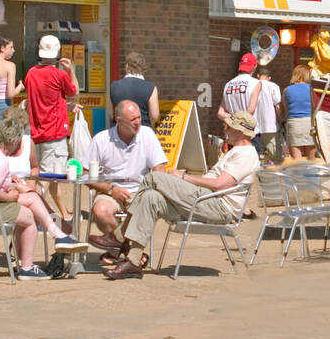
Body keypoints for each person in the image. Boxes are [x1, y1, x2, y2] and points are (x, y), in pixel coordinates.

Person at [104, 110, 260, 279]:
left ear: (239, 130)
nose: (224, 130)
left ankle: (119, 236)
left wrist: (184, 177)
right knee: (151, 198)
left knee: (154, 177)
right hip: (206, 200)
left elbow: (220, 184)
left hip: (218, 206)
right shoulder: (236, 151)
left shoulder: (246, 154)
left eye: (227, 127)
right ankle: (133, 261)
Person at [0, 109, 86, 281]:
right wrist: (10, 197)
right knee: (27, 216)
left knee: (32, 197)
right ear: (14, 141)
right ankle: (27, 266)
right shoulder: (0, 159)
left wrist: (14, 187)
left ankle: (58, 236)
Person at [83, 99, 168, 266]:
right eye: (132, 119)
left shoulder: (147, 135)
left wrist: (152, 191)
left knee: (145, 207)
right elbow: (87, 176)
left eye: (139, 118)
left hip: (140, 191)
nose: (138, 122)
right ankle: (130, 252)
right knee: (100, 211)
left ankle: (117, 248)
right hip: (110, 190)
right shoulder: (101, 140)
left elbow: (159, 168)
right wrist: (110, 189)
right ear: (119, 120)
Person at [24, 35, 78, 221]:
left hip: (36, 133)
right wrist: (71, 70)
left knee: (47, 178)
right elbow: (74, 92)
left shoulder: (30, 73)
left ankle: (64, 214)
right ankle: (31, 215)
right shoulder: (59, 74)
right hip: (54, 134)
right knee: (46, 180)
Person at [218, 52, 260, 151]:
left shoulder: (228, 84)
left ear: (240, 65)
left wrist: (233, 120)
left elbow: (220, 113)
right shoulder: (256, 83)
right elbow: (251, 110)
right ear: (254, 66)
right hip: (249, 133)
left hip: (232, 134)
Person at [108, 51, 159, 129]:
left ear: (127, 66)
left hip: (119, 131)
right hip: (142, 130)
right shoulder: (151, 87)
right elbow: (154, 116)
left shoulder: (114, 86)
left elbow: (111, 114)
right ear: (143, 68)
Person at [283, 65, 317, 160]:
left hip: (294, 123)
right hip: (309, 123)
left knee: (296, 159)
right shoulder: (312, 89)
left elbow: (286, 108)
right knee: (311, 158)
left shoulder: (287, 90)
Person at [253, 63, 282, 162]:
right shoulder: (274, 86)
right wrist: (279, 120)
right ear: (269, 78)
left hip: (254, 125)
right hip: (270, 124)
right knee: (274, 153)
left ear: (258, 75)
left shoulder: (252, 85)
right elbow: (277, 105)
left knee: (256, 154)